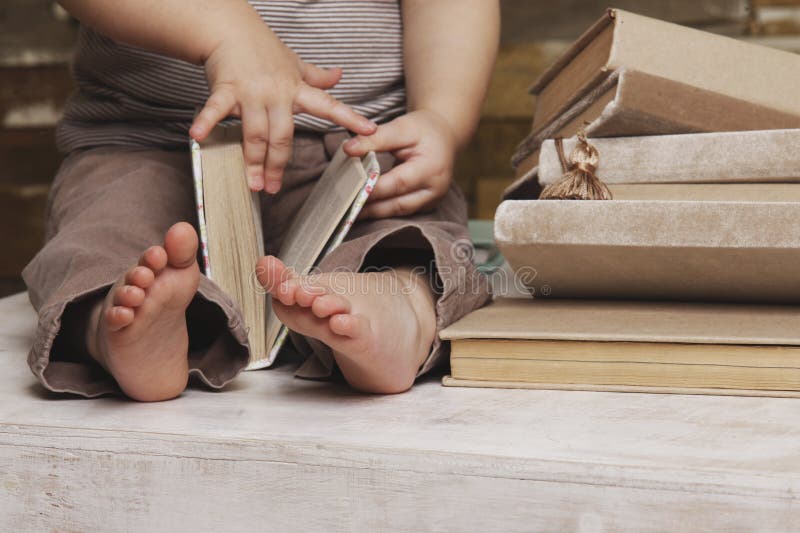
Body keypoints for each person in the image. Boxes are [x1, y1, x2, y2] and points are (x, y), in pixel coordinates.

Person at [23, 0, 498, 401]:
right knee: (107, 236)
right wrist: (225, 32)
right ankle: (116, 328)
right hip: (147, 145)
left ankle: (395, 310)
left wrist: (441, 115)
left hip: (353, 153)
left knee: (410, 241)